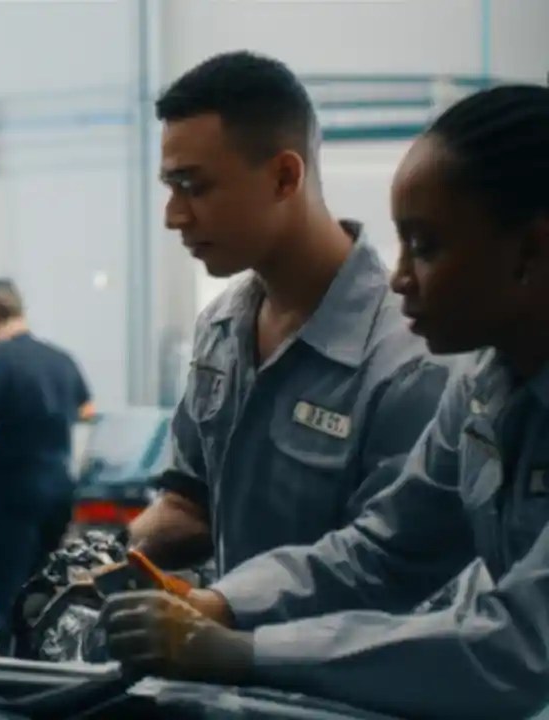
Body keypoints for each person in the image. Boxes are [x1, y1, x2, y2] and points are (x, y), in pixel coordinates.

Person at [103, 84, 549, 720]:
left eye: (426, 247)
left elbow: (519, 650)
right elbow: (384, 549)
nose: (401, 278)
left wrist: (241, 650)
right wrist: (224, 605)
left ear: (530, 250)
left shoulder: (406, 364)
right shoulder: (484, 389)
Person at [124, 51, 451, 577]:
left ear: (283, 178)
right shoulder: (220, 329)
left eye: (195, 186)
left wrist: (231, 627)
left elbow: (387, 573)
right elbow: (192, 504)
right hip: (221, 650)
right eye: (169, 188)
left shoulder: (407, 362)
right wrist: (109, 558)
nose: (173, 216)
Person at [0, 279, 94, 636]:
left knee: (6, 598)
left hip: (13, 494)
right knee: (47, 592)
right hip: (59, 490)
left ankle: (9, 676)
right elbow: (88, 409)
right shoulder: (60, 359)